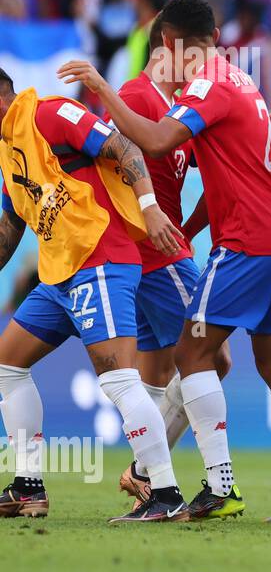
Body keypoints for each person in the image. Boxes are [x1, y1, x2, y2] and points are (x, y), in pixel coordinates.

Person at [64, 0, 271, 523]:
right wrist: (185, 228)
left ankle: (220, 487)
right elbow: (222, 181)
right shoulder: (241, 82)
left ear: (167, 42)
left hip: (249, 240)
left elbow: (157, 141)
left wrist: (101, 89)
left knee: (193, 353)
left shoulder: (207, 83)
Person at [0, 65, 189, 522]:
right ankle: (28, 487)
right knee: (7, 364)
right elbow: (10, 228)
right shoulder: (9, 154)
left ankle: (165, 495)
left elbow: (123, 146)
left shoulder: (50, 113)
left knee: (117, 377)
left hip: (102, 258)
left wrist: (150, 208)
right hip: (60, 274)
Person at [111, 17, 232, 509]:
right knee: (214, 357)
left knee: (157, 372)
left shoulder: (174, 109)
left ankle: (147, 482)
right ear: (169, 48)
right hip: (156, 256)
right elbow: (115, 156)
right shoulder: (136, 99)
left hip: (150, 256)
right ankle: (146, 470)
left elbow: (201, 160)